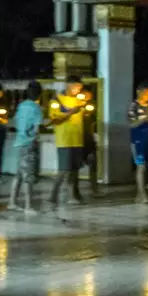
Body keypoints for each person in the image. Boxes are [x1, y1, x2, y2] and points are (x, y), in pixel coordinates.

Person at [48, 76, 88, 207]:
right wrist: (71, 112)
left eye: (80, 88)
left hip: (77, 138)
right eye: (76, 87)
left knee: (75, 169)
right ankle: (54, 195)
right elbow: (55, 120)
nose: (78, 90)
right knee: (64, 169)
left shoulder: (79, 100)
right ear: (68, 85)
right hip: (64, 139)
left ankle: (74, 194)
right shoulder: (56, 100)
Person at [8, 81, 44, 214]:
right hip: (29, 144)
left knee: (18, 174)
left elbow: (16, 122)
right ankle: (28, 206)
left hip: (18, 142)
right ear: (39, 94)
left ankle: (12, 202)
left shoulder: (21, 106)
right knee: (28, 176)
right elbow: (36, 129)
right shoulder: (36, 108)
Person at [129, 83, 148, 204]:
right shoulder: (134, 106)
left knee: (145, 168)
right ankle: (143, 195)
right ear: (139, 92)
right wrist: (145, 118)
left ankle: (139, 195)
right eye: (146, 93)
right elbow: (131, 124)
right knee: (141, 167)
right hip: (137, 141)